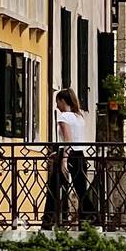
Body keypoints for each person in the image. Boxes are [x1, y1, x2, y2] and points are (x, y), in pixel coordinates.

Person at [44, 89, 93, 228]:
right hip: (80, 155)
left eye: (57, 102)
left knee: (53, 188)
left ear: (63, 101)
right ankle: (90, 219)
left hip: (68, 155)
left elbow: (68, 139)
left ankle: (47, 221)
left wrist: (64, 158)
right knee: (81, 189)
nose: (56, 105)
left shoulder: (63, 117)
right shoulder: (79, 117)